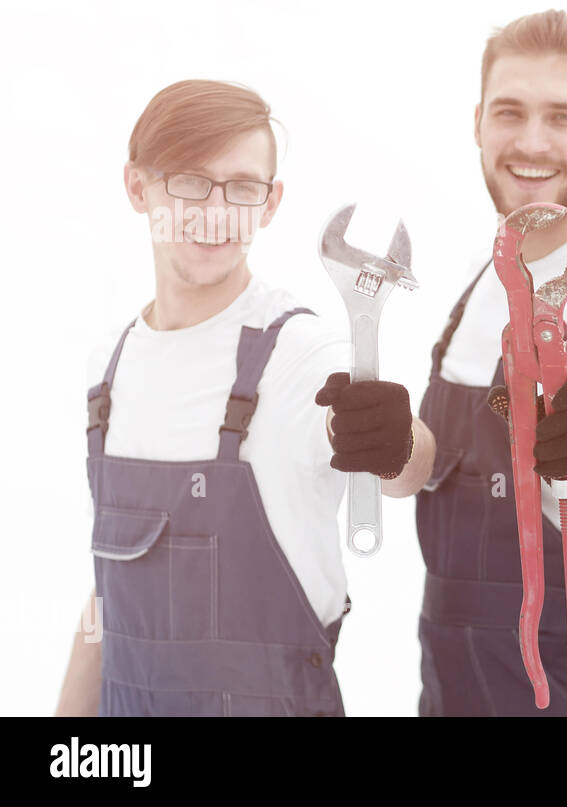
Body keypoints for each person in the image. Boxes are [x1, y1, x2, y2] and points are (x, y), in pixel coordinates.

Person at [56, 80, 426, 716]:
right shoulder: (109, 373)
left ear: (271, 202)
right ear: (137, 187)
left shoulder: (301, 353)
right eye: (190, 180)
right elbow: (108, 598)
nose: (216, 210)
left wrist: (395, 443)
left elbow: (410, 468)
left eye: (242, 187)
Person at [378, 10, 567, 716]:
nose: (531, 142)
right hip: (452, 684)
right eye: (510, 112)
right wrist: (391, 441)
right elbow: (428, 471)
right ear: (478, 121)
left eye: (564, 117)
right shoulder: (477, 278)